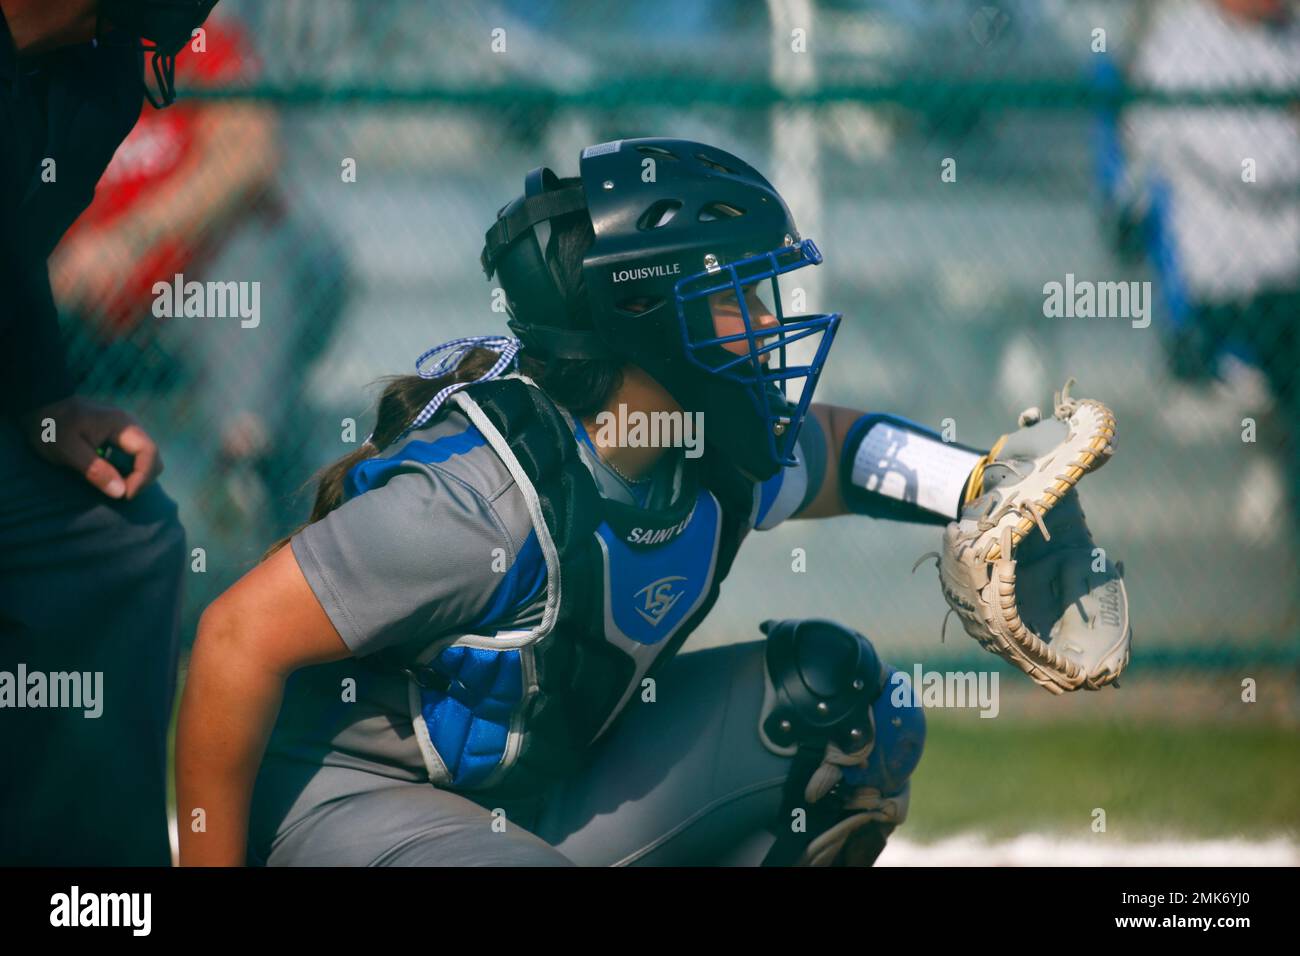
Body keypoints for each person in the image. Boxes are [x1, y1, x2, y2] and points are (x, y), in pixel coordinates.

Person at [177, 138, 1087, 866]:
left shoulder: (702, 442)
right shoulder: (477, 502)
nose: (770, 324)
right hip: (351, 805)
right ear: (652, 321)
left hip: (531, 794)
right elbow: (231, 643)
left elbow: (846, 453)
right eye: (739, 297)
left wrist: (986, 487)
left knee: (844, 716)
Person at [0, 0, 218, 865]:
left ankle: (85, 893)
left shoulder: (99, 75)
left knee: (123, 538)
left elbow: (10, 249)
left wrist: (42, 402)